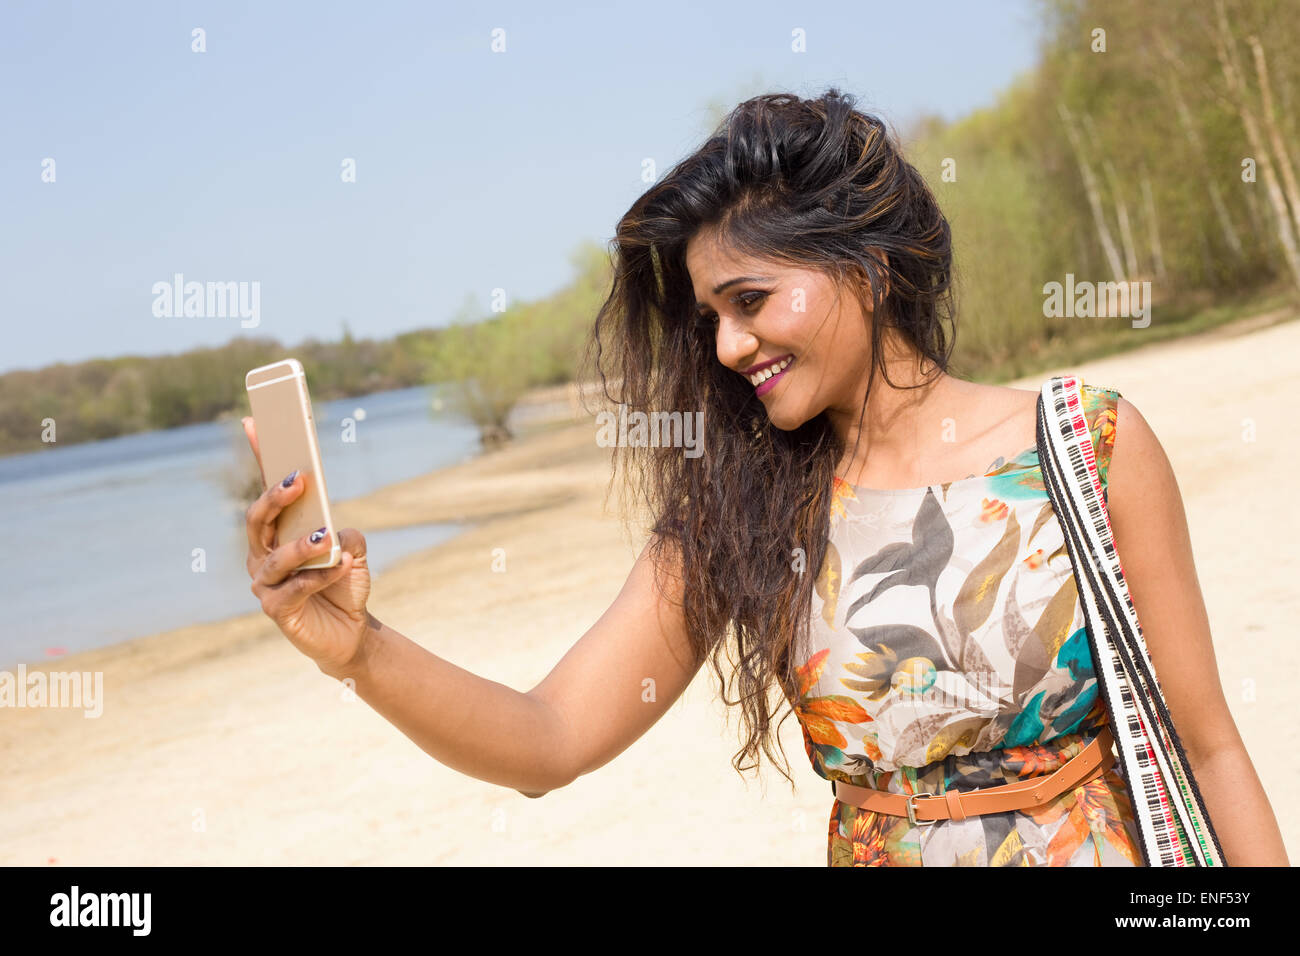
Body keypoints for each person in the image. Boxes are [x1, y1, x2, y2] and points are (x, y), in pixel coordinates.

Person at [241, 89, 1288, 866]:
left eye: (750, 299)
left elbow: (1211, 747)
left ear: (866, 269)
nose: (729, 344)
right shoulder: (740, 513)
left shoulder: (1088, 446)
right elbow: (547, 740)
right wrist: (357, 650)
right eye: (710, 317)